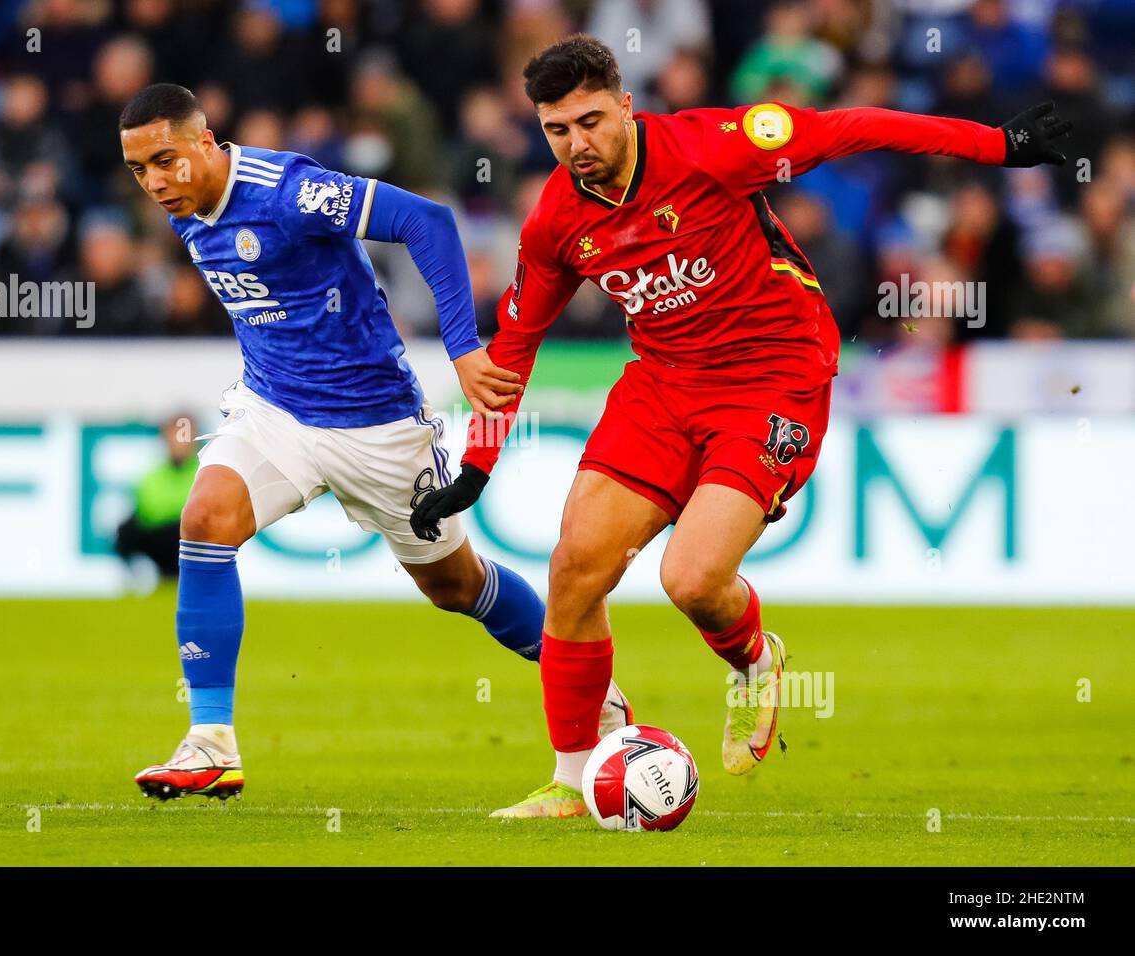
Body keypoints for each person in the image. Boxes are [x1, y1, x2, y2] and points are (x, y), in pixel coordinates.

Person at [411, 35, 1071, 819]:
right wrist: (477, 468)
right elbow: (516, 346)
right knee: (575, 570)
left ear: (626, 106)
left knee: (691, 580)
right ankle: (571, 777)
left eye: (590, 121)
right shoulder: (556, 220)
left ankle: (755, 662)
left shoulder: (714, 147)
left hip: (773, 378)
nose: (577, 145)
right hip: (663, 385)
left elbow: (851, 126)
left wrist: (998, 145)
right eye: (557, 130)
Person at [118, 83, 632, 801]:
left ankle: (598, 698)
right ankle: (210, 742)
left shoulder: (288, 190)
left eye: (166, 160)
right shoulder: (185, 211)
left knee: (456, 587)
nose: (155, 182)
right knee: (203, 519)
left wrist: (463, 348)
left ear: (206, 142)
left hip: (377, 425)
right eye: (139, 169)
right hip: (274, 411)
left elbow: (426, 220)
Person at [114, 412, 200, 578]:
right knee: (126, 530)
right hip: (161, 537)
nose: (179, 442)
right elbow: (147, 511)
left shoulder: (203, 471)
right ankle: (138, 577)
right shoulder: (153, 476)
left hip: (191, 538)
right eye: (174, 435)